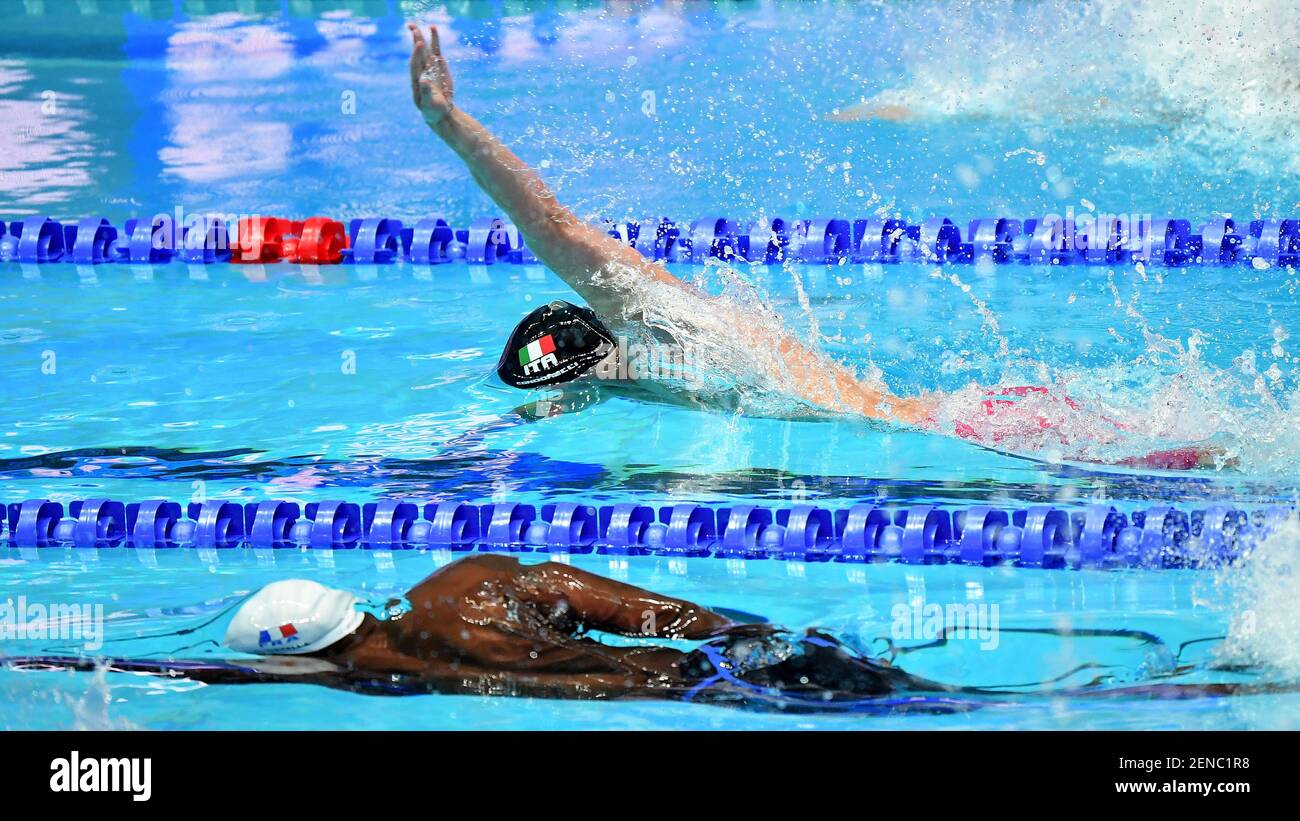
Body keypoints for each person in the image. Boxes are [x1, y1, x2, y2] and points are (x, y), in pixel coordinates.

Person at [405, 24, 1224, 470]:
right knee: (1189, 455)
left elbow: (551, 224)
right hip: (970, 420)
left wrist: (451, 127)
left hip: (981, 429)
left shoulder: (649, 314)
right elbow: (578, 397)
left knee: (1199, 464)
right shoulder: (653, 368)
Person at [4, 555, 1287, 712]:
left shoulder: (382, 678)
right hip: (739, 663)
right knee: (956, 701)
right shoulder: (476, 583)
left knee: (985, 718)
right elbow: (647, 608)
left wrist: (49, 657)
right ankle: (1219, 667)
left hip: (732, 695)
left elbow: (179, 661)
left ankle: (1223, 680)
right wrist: (749, 632)